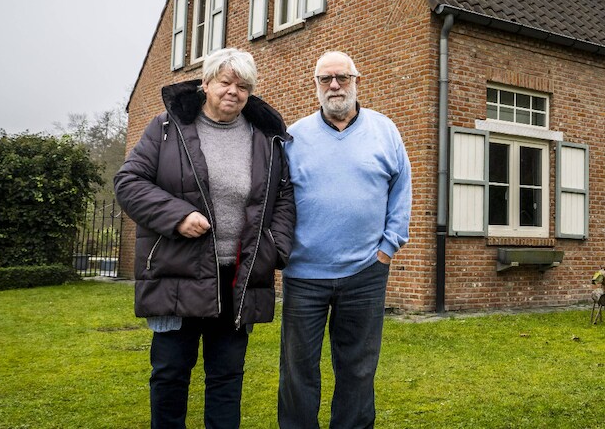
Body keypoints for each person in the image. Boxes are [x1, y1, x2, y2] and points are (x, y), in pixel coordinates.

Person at [115, 48, 295, 429]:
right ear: (207, 83)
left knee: (227, 379)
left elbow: (283, 197)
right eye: (226, 82)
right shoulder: (167, 128)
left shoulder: (266, 138)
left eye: (243, 86)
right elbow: (129, 182)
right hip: (178, 275)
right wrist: (177, 216)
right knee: (170, 375)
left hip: (237, 280)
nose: (234, 91)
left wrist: (274, 248)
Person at [278, 51, 411, 428]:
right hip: (304, 274)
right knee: (297, 370)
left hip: (365, 274)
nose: (334, 85)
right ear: (315, 86)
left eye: (342, 77)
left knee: (357, 369)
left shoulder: (385, 131)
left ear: (357, 80)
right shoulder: (295, 136)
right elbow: (277, 198)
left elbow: (401, 192)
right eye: (325, 79)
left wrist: (387, 250)